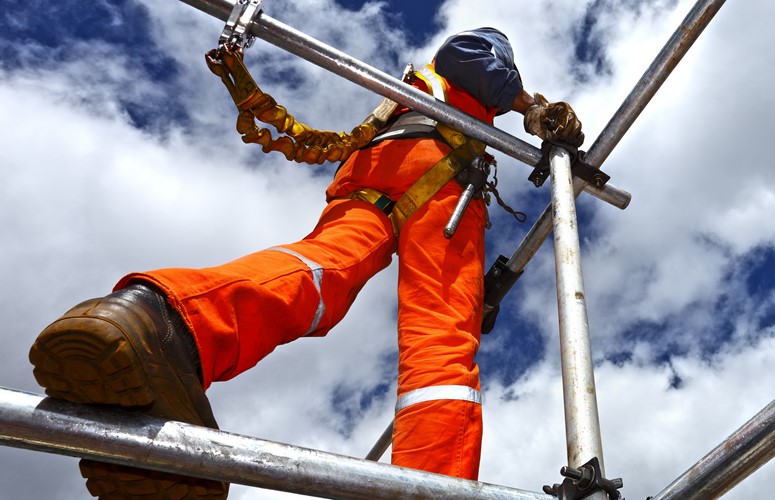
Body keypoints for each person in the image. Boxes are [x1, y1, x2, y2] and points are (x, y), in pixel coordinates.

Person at [28, 27, 583, 499]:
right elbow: (473, 59)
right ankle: (431, 484)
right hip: (439, 176)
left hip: (381, 173)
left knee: (322, 274)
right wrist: (531, 106)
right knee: (440, 346)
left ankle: (165, 324)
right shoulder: (475, 59)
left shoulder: (416, 92)